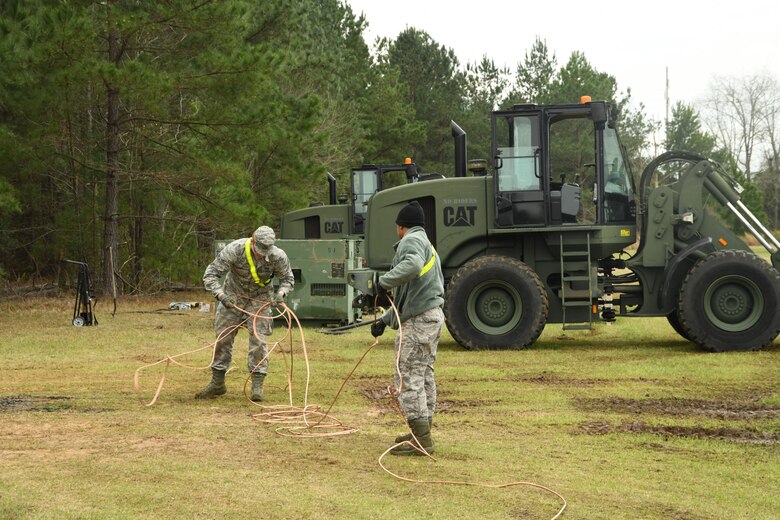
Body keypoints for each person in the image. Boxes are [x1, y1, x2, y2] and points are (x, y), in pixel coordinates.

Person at [370, 201, 445, 456]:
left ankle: (421, 440)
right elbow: (411, 299)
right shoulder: (427, 244)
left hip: (421, 321)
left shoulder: (410, 241)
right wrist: (384, 320)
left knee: (408, 376)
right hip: (431, 317)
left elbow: (411, 267)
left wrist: (382, 282)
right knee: (423, 376)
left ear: (401, 227)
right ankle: (420, 432)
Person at [198, 225, 294, 401]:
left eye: (266, 251)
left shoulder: (278, 256)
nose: (262, 254)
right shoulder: (234, 249)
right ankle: (217, 384)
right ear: (252, 241)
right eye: (259, 250)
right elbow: (210, 275)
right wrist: (221, 296)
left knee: (259, 340)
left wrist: (280, 294)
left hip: (260, 299)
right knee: (223, 339)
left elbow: (287, 279)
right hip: (232, 298)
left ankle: (257, 386)